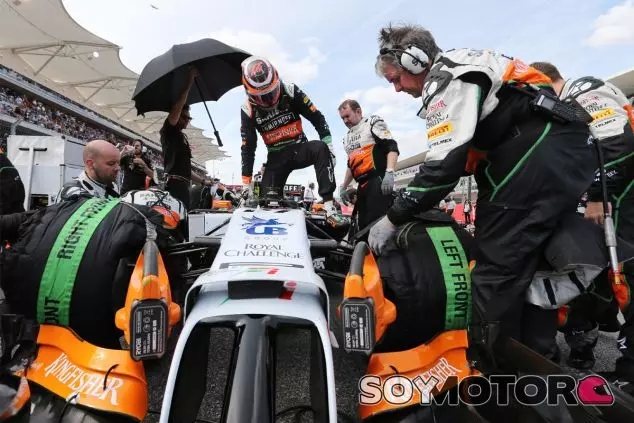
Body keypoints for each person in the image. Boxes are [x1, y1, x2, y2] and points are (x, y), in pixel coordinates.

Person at [368, 24, 596, 365]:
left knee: (494, 272)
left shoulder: (446, 77)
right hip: (553, 151)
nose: (397, 88)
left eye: (396, 79)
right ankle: (537, 362)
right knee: (531, 270)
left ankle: (491, 368)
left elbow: (443, 166)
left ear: (416, 62)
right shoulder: (466, 65)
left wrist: (393, 217)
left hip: (534, 156)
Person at [531, 62, 634, 389]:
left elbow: (617, 143)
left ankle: (630, 376)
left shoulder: (583, 89)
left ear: (542, 83)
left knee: (629, 286)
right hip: (617, 205)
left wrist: (596, 194)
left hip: (623, 206)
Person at [239, 56, 344, 226]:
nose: (269, 100)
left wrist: (330, 147)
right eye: (262, 97)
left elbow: (317, 118)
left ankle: (329, 206)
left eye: (272, 92)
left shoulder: (290, 90)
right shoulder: (248, 109)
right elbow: (248, 148)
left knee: (320, 147)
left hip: (299, 148)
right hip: (276, 158)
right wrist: (246, 184)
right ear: (249, 92)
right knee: (265, 202)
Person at [338, 99, 399, 237]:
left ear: (358, 111)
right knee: (362, 226)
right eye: (342, 118)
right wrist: (344, 185)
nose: (345, 121)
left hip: (378, 181)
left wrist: (390, 172)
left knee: (376, 225)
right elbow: (351, 164)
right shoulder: (346, 138)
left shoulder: (372, 123)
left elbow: (392, 146)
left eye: (347, 116)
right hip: (362, 186)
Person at [160, 67, 213, 210]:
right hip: (174, 186)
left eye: (189, 118)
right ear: (175, 114)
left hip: (183, 185)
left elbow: (186, 169)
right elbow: (178, 107)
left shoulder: (182, 137)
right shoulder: (168, 131)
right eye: (184, 117)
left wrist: (202, 181)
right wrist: (190, 81)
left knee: (186, 221)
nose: (187, 120)